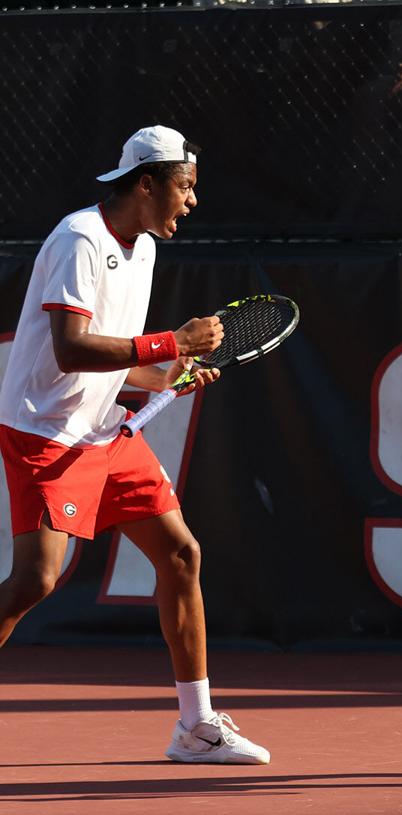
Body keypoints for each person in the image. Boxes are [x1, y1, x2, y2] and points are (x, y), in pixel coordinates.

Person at [0, 125, 270, 765]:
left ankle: (196, 727)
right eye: (184, 188)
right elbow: (69, 350)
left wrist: (166, 375)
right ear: (145, 184)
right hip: (46, 432)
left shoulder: (144, 247)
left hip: (103, 431)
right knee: (36, 580)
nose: (191, 202)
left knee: (180, 554)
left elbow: (115, 363)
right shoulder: (80, 240)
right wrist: (170, 345)